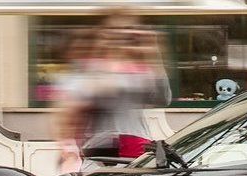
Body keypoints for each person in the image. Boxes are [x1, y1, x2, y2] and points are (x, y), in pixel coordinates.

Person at [56, 17, 170, 162]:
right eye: (114, 33)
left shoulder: (137, 69)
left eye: (126, 32)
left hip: (135, 147)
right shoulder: (88, 69)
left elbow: (163, 98)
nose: (121, 38)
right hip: (99, 151)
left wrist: (152, 53)